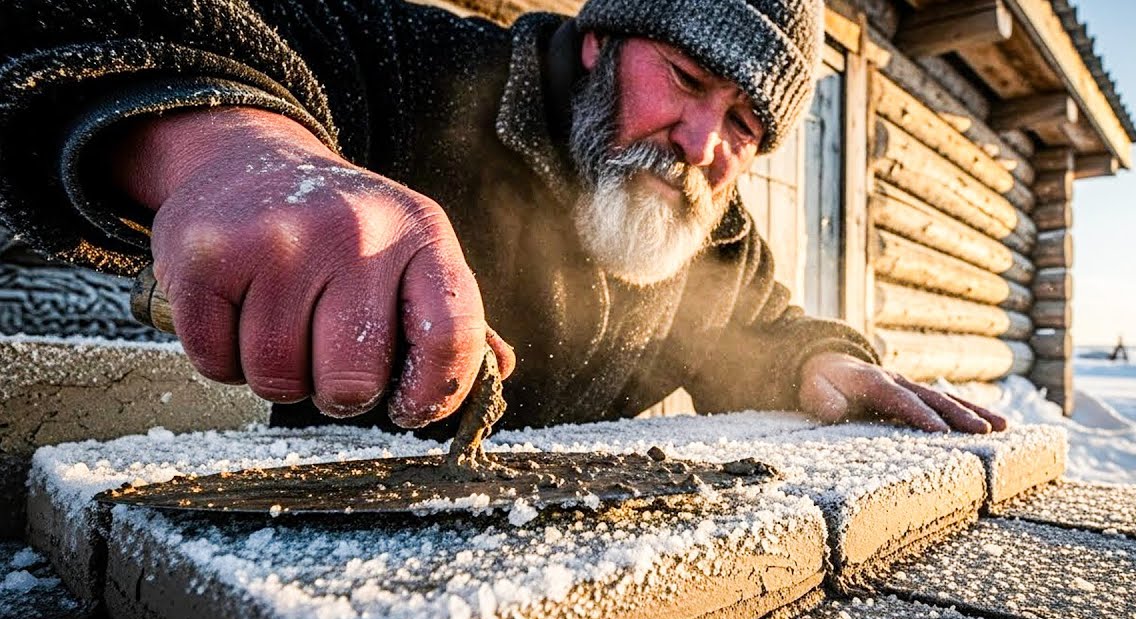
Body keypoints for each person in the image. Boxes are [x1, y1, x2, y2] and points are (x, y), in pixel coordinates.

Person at [0, 0, 1004, 436]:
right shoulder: (414, 67)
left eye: (743, 125)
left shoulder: (711, 223)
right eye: (688, 81)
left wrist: (813, 363)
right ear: (602, 40)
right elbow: (121, 21)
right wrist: (236, 150)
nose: (703, 145)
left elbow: (751, 327)